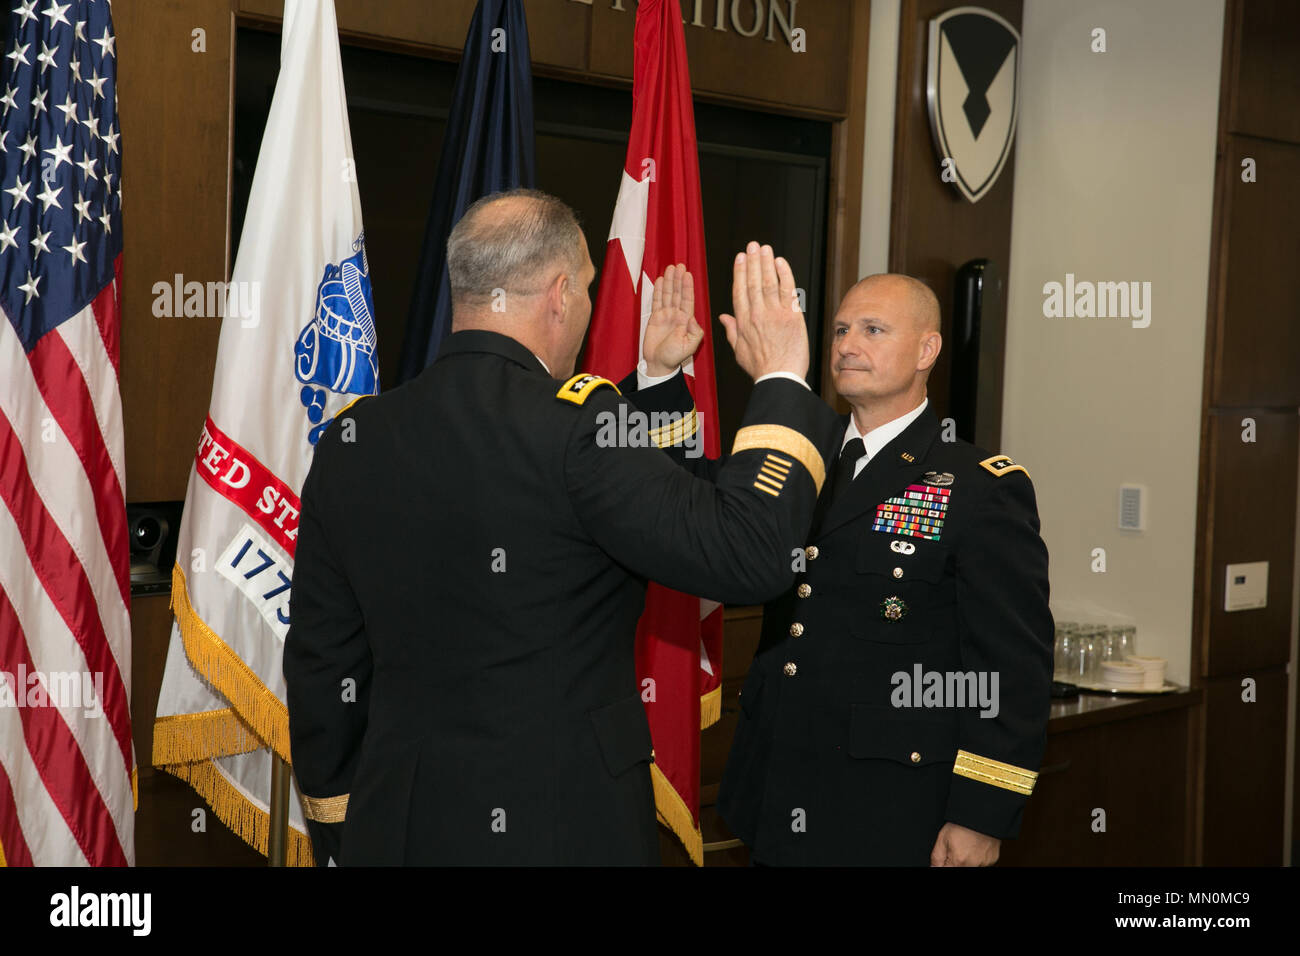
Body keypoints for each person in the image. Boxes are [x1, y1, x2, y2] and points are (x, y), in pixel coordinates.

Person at [283, 188, 840, 865]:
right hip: (564, 826)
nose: (585, 309)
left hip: (399, 823)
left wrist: (346, 820)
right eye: (587, 291)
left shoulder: (352, 439)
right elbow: (750, 552)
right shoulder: (578, 429)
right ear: (557, 293)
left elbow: (322, 664)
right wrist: (782, 375)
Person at [716, 273, 1054, 866]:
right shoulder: (796, 458)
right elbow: (692, 506)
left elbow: (1010, 668)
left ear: (927, 350)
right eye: (842, 329)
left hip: (888, 808)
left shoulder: (978, 487)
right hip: (777, 788)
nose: (847, 344)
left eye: (873, 330)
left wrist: (980, 813)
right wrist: (661, 376)